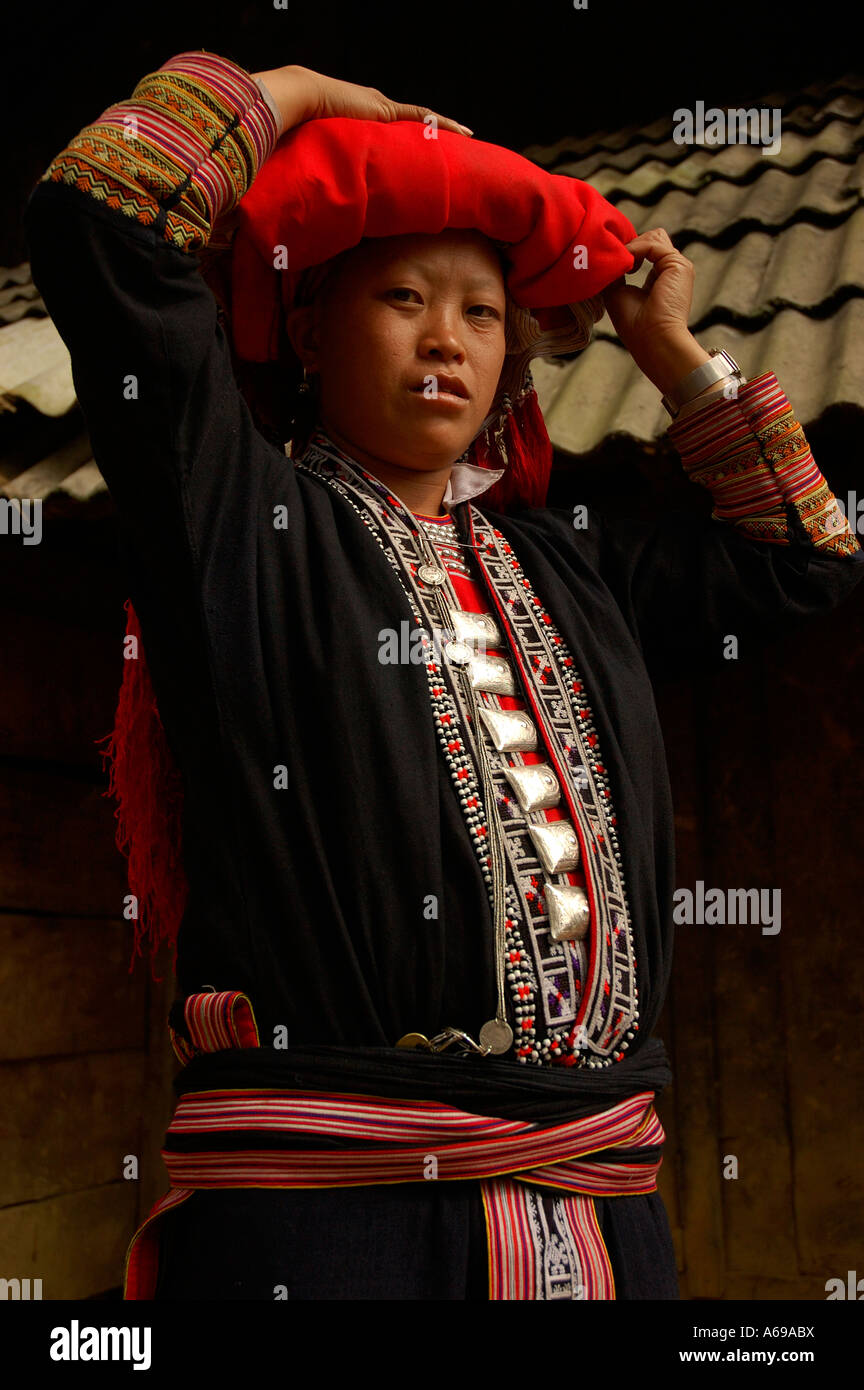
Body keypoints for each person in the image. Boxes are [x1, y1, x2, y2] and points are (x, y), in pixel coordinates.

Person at [23, 50, 863, 1302]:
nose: (446, 341)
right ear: (308, 328)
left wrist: (668, 346)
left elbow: (808, 560)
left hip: (600, 1210)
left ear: (514, 361)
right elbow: (101, 216)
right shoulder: (245, 532)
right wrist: (296, 93)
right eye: (401, 297)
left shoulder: (572, 571)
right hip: (330, 1230)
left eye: (482, 314)